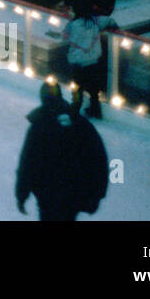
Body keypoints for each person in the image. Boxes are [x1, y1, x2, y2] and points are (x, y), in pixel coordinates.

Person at [15, 81, 108, 221]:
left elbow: (27, 164)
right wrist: (95, 196)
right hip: (73, 198)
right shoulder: (82, 125)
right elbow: (99, 161)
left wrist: (21, 195)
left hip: (48, 197)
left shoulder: (39, 127)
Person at [61, 3, 118, 119]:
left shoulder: (72, 24)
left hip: (78, 63)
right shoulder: (95, 21)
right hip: (93, 62)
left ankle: (74, 111)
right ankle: (95, 110)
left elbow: (65, 36)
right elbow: (110, 22)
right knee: (94, 90)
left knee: (77, 90)